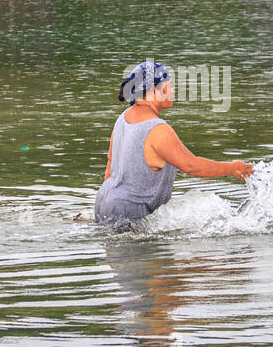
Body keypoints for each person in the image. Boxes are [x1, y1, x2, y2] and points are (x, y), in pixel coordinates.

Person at [94, 61, 253, 226]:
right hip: (128, 210)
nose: (172, 91)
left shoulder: (123, 117)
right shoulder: (157, 129)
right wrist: (233, 168)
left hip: (104, 200)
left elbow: (110, 166)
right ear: (155, 90)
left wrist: (105, 207)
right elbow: (192, 166)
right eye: (169, 86)